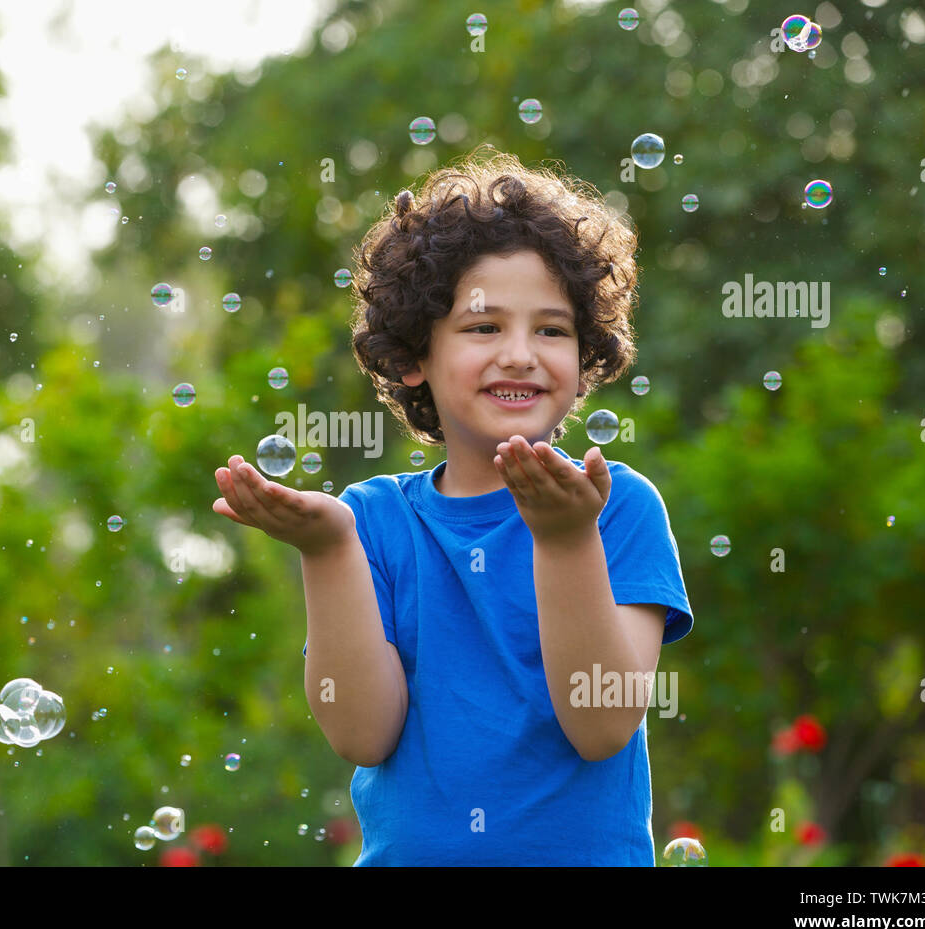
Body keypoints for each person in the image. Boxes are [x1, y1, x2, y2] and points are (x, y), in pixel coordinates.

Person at [213, 147, 693, 865]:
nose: (521, 354)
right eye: (483, 327)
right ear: (413, 356)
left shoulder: (614, 507)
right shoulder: (370, 522)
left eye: (552, 329)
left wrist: (566, 540)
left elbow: (599, 725)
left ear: (587, 352)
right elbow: (361, 734)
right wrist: (328, 549)